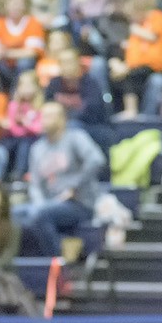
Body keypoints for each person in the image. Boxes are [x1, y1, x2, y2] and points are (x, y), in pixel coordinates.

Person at [17, 102, 108, 259]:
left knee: (39, 214)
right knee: (13, 214)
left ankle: (57, 262)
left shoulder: (75, 138)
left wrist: (75, 185)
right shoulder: (37, 148)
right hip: (48, 203)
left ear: (62, 119)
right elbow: (35, 184)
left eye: (50, 116)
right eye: (43, 116)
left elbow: (96, 160)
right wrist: (40, 203)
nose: (45, 120)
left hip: (78, 203)